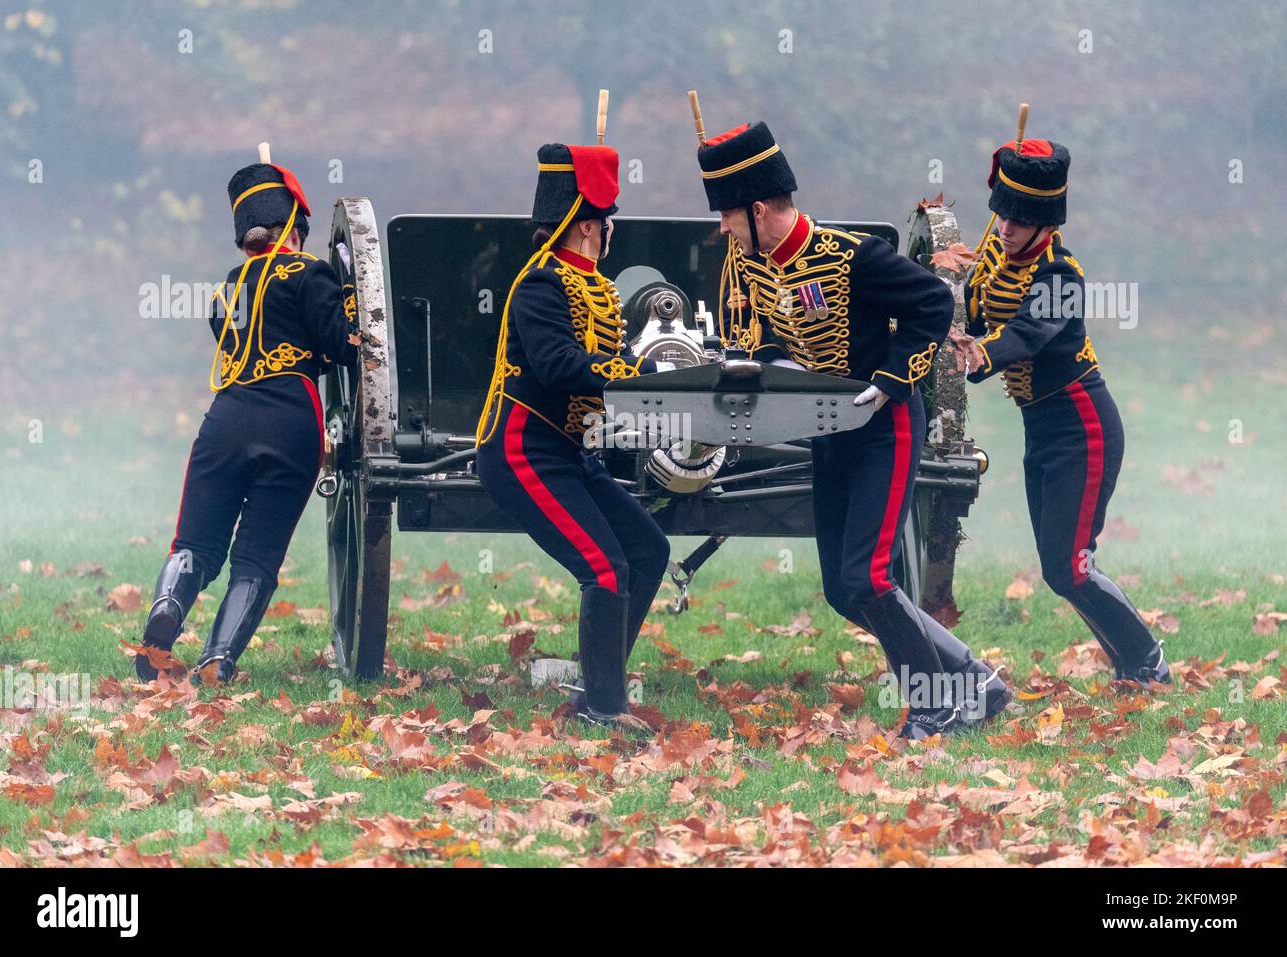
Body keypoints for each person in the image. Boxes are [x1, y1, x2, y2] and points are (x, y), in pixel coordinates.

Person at [693, 117, 1011, 738]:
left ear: (759, 210)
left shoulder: (853, 255)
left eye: (728, 215)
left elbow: (932, 303)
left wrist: (892, 378)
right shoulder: (752, 260)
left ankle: (936, 705)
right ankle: (977, 682)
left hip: (885, 427)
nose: (723, 228)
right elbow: (767, 330)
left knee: (868, 577)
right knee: (844, 590)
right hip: (829, 430)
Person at [952, 137, 1170, 683]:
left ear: (1046, 223)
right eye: (1003, 215)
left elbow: (1028, 332)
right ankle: (1134, 666)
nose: (1006, 228)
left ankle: (1146, 663)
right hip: (1040, 429)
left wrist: (980, 353)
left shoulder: (1061, 273)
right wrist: (962, 286)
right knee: (1058, 570)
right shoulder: (998, 256)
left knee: (1071, 566)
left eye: (1020, 220)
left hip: (1082, 426)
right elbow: (978, 314)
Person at [474, 138, 671, 731]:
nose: (611, 231)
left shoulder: (594, 284)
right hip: (520, 449)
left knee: (648, 550)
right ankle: (605, 710)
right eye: (606, 221)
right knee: (604, 569)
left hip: (569, 451)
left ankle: (597, 685)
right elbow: (559, 365)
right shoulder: (541, 283)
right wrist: (640, 372)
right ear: (589, 226)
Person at [135, 161, 358, 685]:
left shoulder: (226, 291)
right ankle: (217, 660)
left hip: (227, 420)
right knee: (257, 557)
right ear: (294, 232)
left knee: (194, 543)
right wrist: (348, 301)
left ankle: (165, 613)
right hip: (291, 423)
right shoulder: (311, 274)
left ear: (246, 239)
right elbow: (345, 347)